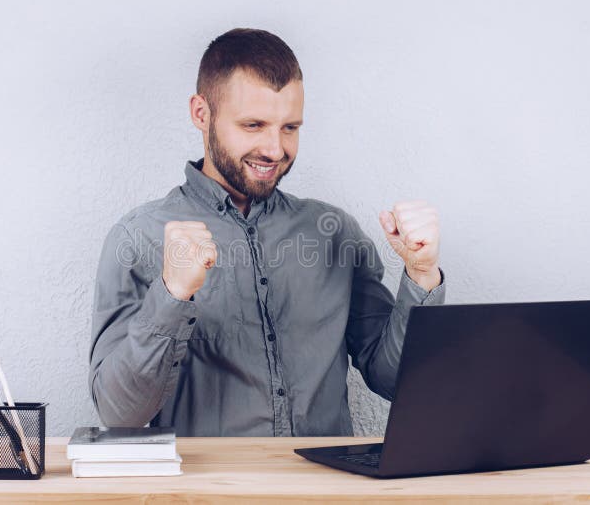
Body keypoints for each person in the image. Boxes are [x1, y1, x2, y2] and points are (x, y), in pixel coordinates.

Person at [88, 28, 445, 436]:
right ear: (201, 114)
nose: (275, 149)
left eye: (290, 127)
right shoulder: (139, 238)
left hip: (325, 493)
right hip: (207, 496)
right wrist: (172, 294)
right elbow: (119, 414)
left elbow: (396, 381)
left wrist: (421, 275)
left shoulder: (335, 234)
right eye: (254, 125)